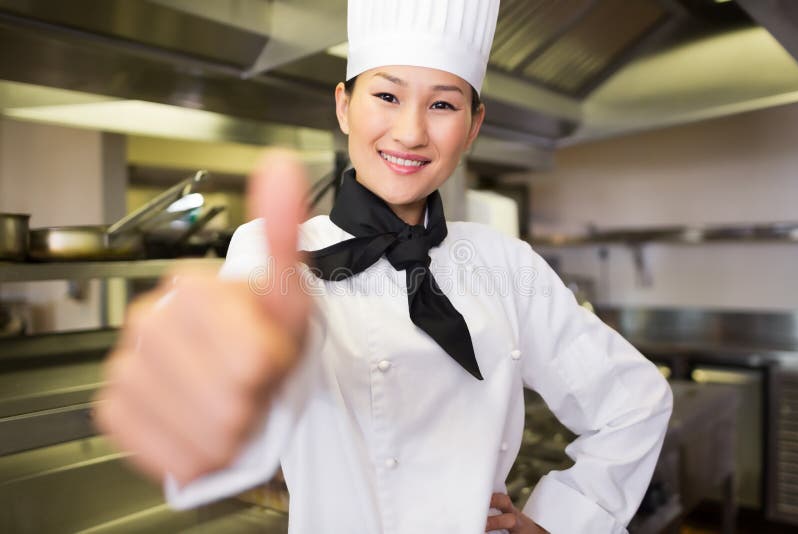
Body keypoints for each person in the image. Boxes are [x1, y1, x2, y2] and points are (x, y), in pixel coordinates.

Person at [95, 1, 673, 533]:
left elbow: (635, 400)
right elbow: (234, 388)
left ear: (472, 126)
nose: (411, 131)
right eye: (387, 96)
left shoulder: (504, 262)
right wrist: (214, 382)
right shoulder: (273, 257)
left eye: (443, 104)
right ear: (344, 105)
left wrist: (563, 519)